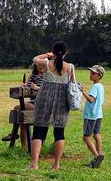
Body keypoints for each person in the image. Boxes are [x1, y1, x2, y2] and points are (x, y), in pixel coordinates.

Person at [30, 42, 77, 170]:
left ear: (53, 52)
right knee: (59, 133)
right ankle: (56, 164)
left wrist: (47, 55)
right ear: (66, 53)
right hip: (62, 103)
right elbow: (73, 85)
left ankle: (34, 164)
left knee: (39, 131)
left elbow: (35, 59)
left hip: (44, 101)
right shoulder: (71, 67)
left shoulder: (46, 64)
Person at [3, 56, 46, 144]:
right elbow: (27, 88)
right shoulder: (32, 76)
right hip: (33, 101)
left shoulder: (48, 77)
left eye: (42, 66)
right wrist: (24, 87)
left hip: (42, 104)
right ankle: (23, 144)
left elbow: (48, 91)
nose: (41, 68)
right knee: (19, 111)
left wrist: (37, 88)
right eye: (39, 66)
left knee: (21, 110)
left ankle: (13, 134)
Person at [82, 65, 106, 168]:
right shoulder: (101, 86)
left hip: (90, 115)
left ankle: (97, 156)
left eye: (93, 73)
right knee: (97, 134)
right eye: (90, 72)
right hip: (98, 114)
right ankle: (98, 158)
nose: (90, 75)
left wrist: (81, 91)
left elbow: (91, 99)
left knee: (86, 137)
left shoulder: (95, 87)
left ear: (99, 75)